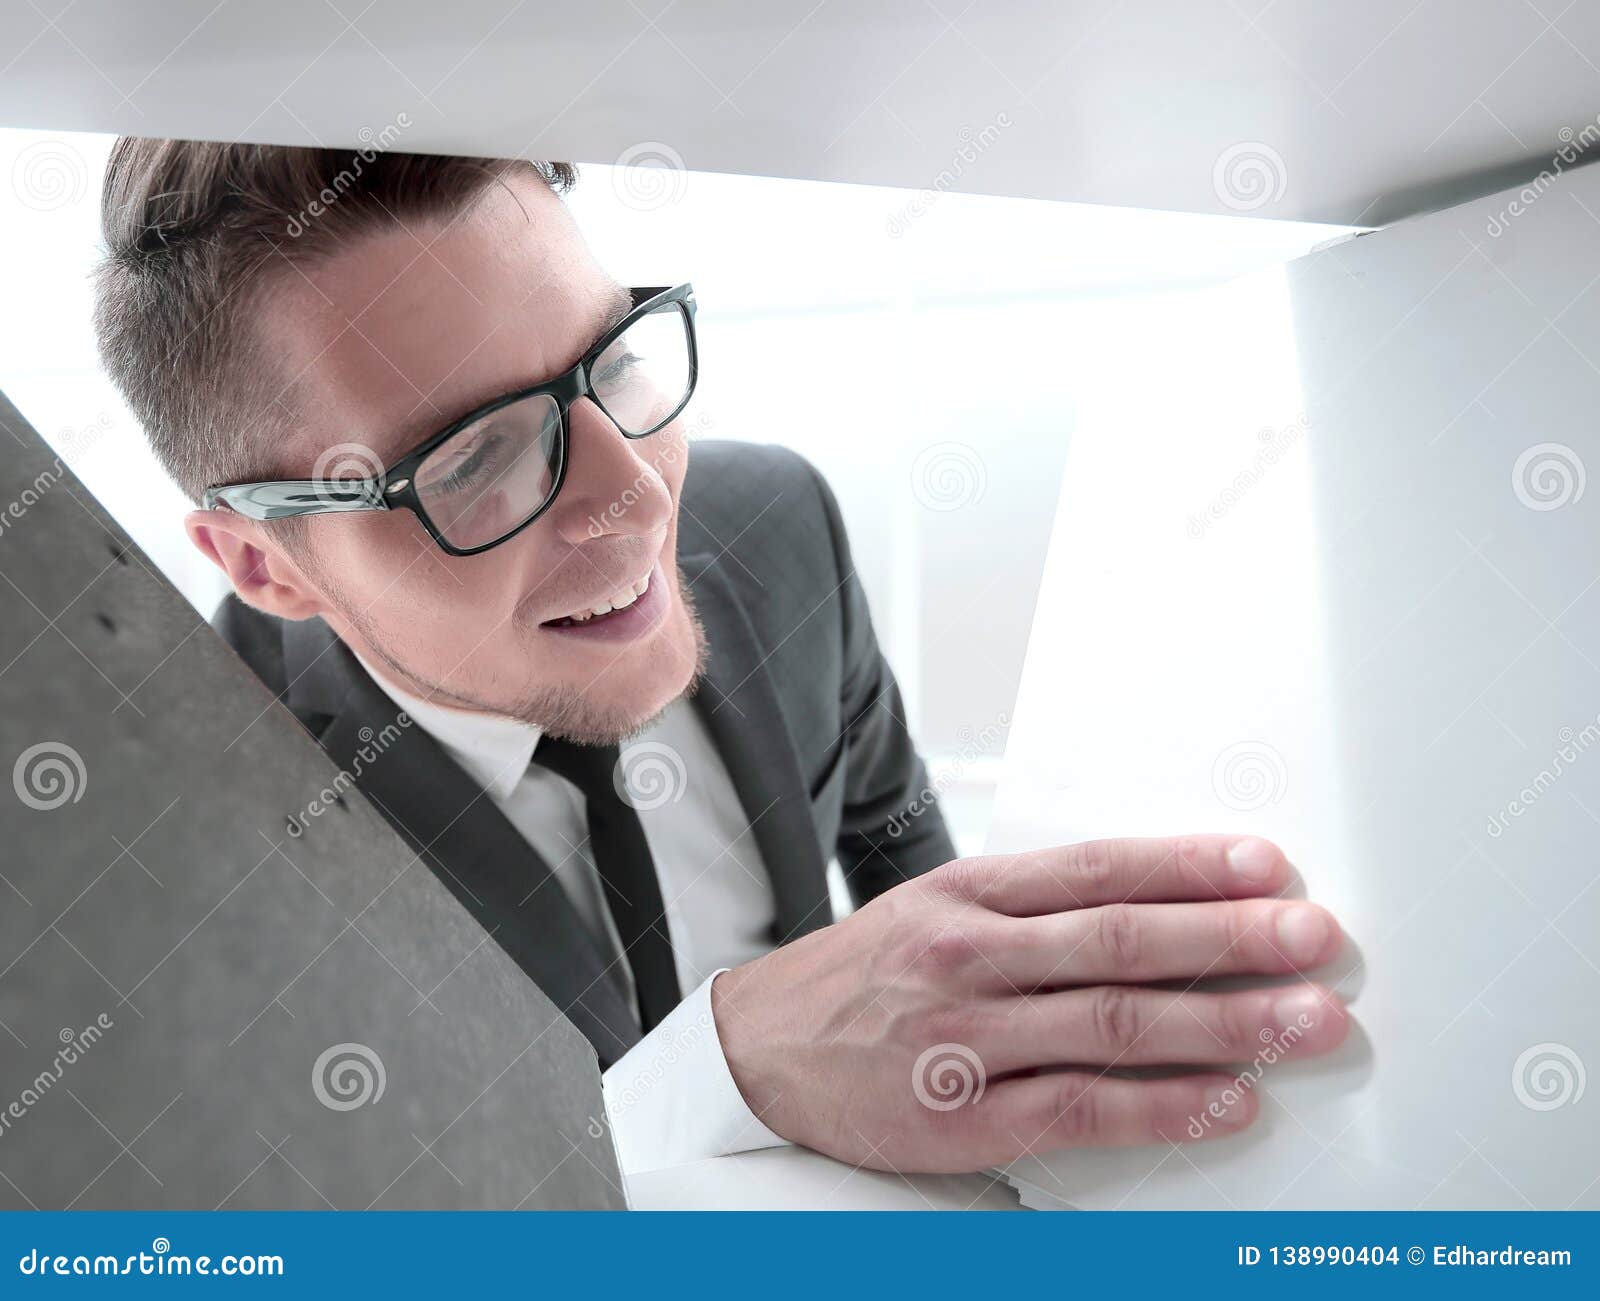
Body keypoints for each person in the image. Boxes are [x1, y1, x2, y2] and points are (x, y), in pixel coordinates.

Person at [93, 140, 1348, 1178]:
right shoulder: (197, 844)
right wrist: (722, 1065)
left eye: (615, 361)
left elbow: (897, 845)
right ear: (267, 562)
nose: (637, 498)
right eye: (475, 458)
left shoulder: (776, 526)